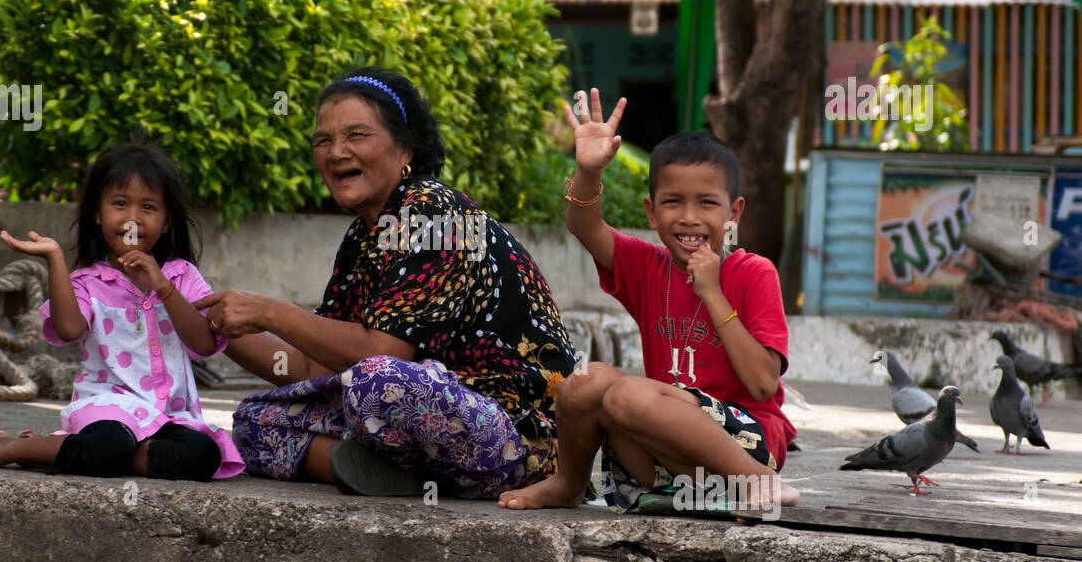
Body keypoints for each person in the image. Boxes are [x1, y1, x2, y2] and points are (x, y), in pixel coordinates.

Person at [198, 67, 576, 499]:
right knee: (253, 421)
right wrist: (212, 324)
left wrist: (270, 311)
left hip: (516, 438)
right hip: (422, 427)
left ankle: (393, 469)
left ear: (404, 150)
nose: (336, 151)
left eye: (356, 135)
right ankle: (398, 476)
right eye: (323, 140)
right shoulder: (363, 236)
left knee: (375, 380)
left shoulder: (436, 212)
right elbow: (311, 367)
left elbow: (381, 353)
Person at [500, 89, 799, 511]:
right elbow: (585, 227)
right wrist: (588, 171)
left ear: (733, 213)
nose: (690, 217)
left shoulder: (753, 272)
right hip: (662, 450)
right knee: (585, 383)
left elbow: (764, 383)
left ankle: (758, 483)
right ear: (652, 212)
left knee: (628, 396)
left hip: (746, 445)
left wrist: (711, 291)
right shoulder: (649, 267)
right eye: (673, 202)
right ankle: (567, 482)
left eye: (707, 204)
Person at [0, 141, 244, 481]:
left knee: (202, 455)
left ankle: (69, 450)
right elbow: (69, 330)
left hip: (169, 416)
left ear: (166, 222)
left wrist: (164, 288)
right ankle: (6, 448)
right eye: (120, 204)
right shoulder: (89, 281)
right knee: (109, 445)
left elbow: (204, 344)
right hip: (108, 409)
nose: (133, 218)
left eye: (148, 207)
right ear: (97, 213)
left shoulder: (182, 277)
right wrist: (55, 260)